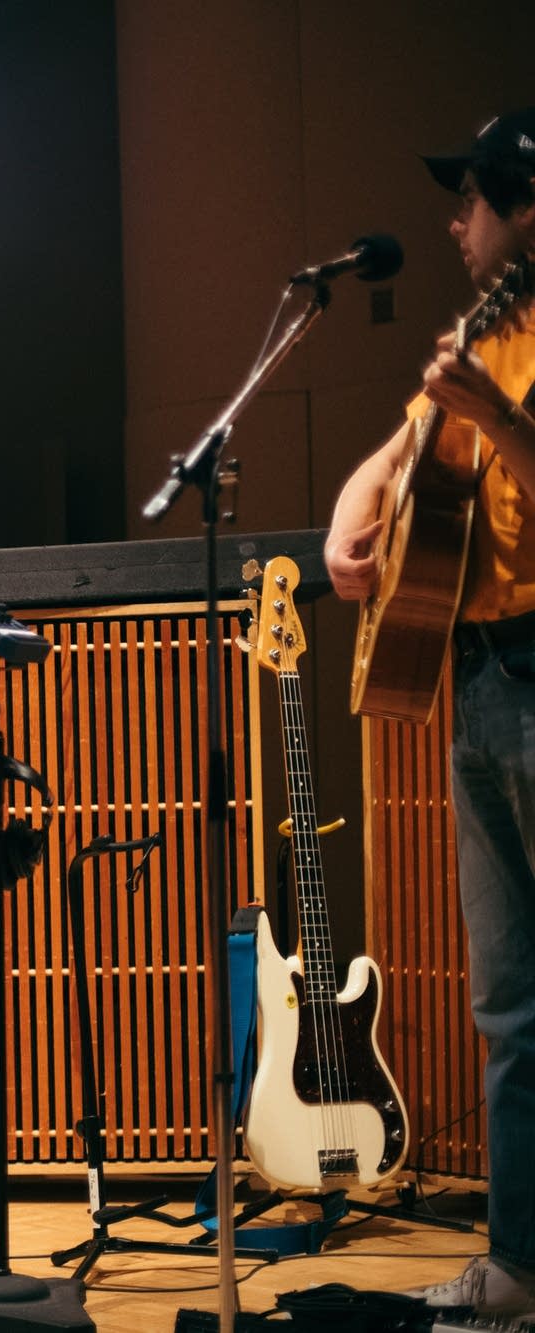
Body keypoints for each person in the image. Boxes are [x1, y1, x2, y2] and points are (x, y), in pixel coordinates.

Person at [326, 108, 535, 1326]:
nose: (452, 223)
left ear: (517, 199)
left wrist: (498, 418)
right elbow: (396, 452)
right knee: (507, 1004)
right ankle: (514, 1269)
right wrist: (354, 517)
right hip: (476, 678)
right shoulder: (482, 327)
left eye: (467, 199)